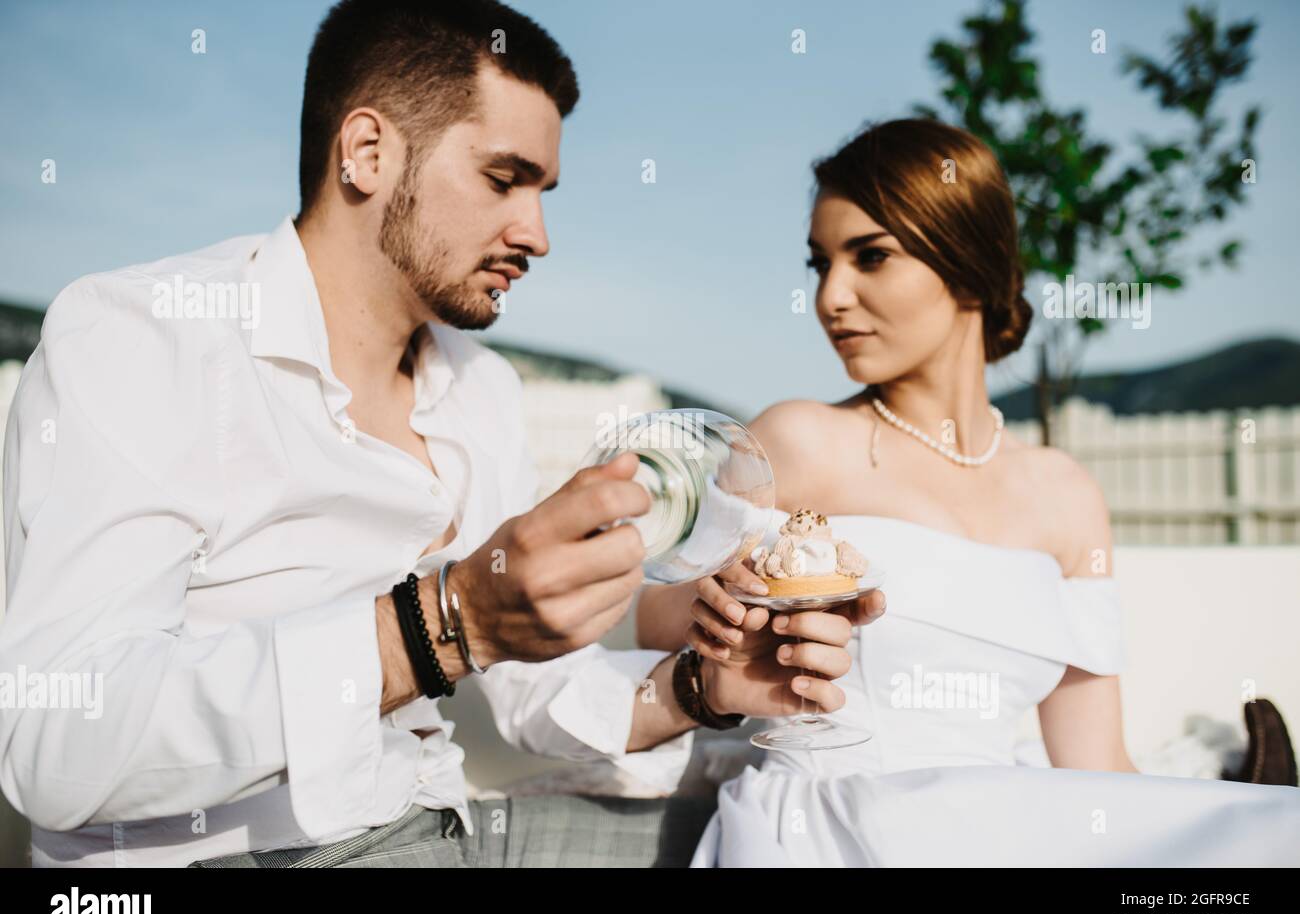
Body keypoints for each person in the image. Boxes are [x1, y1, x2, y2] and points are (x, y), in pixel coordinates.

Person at [0, 0, 880, 869]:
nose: (537, 235)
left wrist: (703, 686)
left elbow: (532, 691)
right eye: (504, 179)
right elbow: (55, 745)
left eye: (543, 192)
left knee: (807, 830)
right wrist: (439, 626)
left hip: (448, 823)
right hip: (255, 853)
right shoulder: (144, 338)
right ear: (367, 152)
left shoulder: (480, 388)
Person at [637, 117, 1300, 866]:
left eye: (870, 256)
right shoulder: (799, 438)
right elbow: (656, 617)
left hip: (998, 831)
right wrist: (735, 600)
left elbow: (1095, 766)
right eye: (820, 264)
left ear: (965, 259)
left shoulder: (1066, 495)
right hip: (827, 831)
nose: (830, 296)